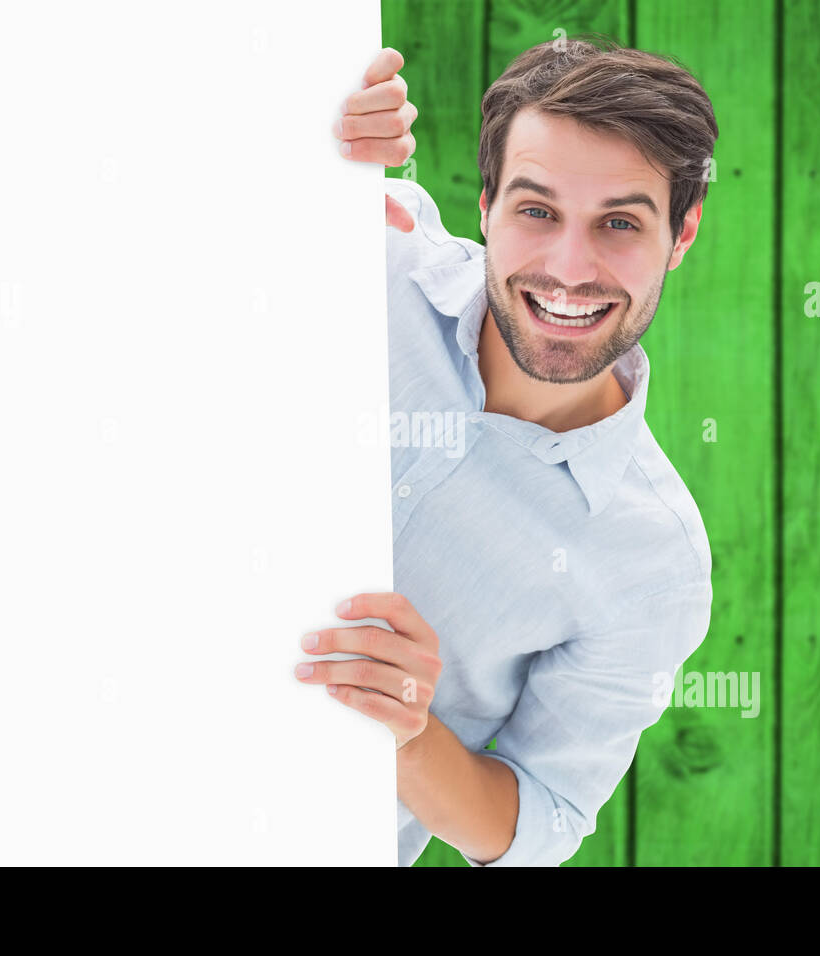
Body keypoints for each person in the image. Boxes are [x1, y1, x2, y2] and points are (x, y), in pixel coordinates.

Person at [298, 37, 717, 866]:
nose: (569, 270)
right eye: (536, 210)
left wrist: (413, 737)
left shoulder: (652, 563)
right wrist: (304, 131)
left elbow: (542, 820)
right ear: (486, 203)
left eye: (621, 223)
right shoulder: (367, 260)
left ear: (682, 234)